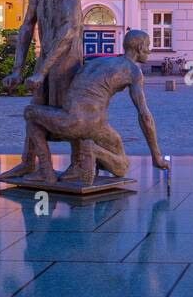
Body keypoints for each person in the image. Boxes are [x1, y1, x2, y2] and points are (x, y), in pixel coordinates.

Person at [20, 29, 169, 184]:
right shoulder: (134, 72)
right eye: (148, 46)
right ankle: (92, 151)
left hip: (72, 119)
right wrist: (156, 156)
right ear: (139, 48)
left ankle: (47, 170)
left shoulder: (98, 61)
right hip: (95, 124)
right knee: (122, 167)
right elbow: (144, 115)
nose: (149, 51)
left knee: (30, 113)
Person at [0, 0, 84, 181]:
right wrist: (17, 69)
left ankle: (79, 163)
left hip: (67, 60)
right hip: (46, 57)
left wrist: (41, 70)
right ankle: (29, 162)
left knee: (70, 113)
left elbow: (69, 29)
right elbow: (27, 25)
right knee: (35, 109)